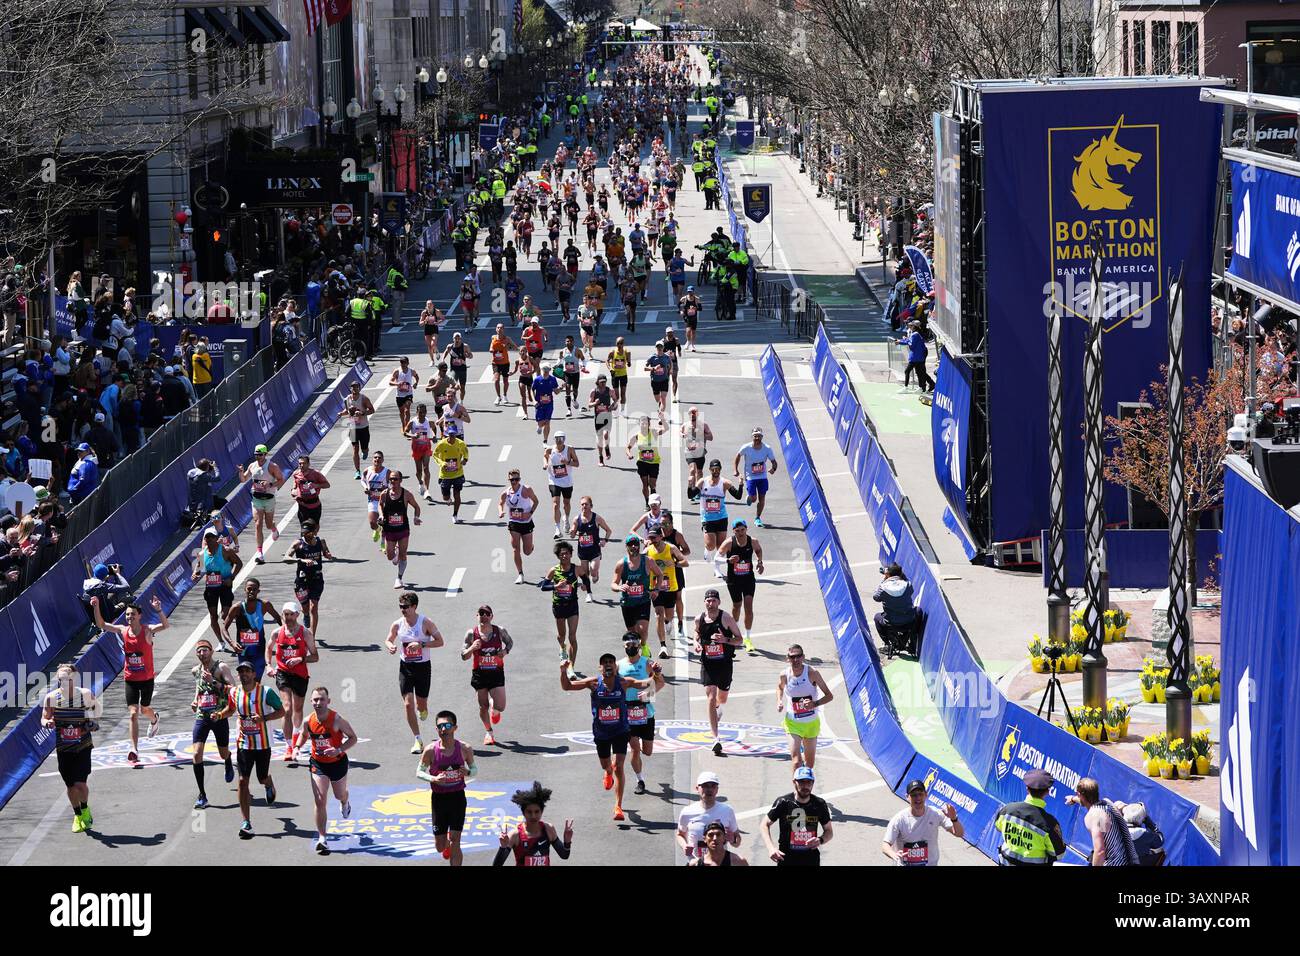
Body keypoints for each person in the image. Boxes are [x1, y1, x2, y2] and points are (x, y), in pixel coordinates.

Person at [559, 654, 652, 822]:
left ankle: (618, 806)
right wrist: (563, 671)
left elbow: (648, 684)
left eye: (611, 662)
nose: (608, 665)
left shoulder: (624, 682)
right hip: (601, 733)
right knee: (607, 765)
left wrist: (657, 673)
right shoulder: (593, 683)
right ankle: (607, 772)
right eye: (604, 663)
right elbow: (567, 687)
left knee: (619, 766)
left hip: (621, 731)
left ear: (615, 667)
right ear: (600, 668)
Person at [91, 595, 167, 767]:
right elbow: (101, 625)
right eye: (127, 615)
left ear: (139, 616)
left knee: (144, 709)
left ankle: (154, 719)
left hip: (147, 679)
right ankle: (134, 749)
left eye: (132, 614)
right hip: (130, 679)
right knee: (133, 713)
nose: (129, 617)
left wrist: (159, 610)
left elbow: (165, 625)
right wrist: (96, 607)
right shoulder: (122, 631)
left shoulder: (147, 630)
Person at [213, 660, 285, 839]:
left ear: (254, 674)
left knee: (261, 778)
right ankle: (246, 823)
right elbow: (230, 709)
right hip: (244, 743)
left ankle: (268, 783)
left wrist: (264, 718)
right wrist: (220, 714)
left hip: (263, 744)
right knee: (243, 781)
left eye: (247, 671)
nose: (244, 674)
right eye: (241, 672)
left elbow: (282, 711)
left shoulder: (266, 692)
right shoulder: (235, 692)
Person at [41, 663, 99, 833]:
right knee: (70, 786)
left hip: (82, 746)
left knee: (80, 784)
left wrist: (91, 725)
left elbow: (95, 718)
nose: (64, 682)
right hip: (63, 748)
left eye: (67, 679)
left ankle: (85, 807)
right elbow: (44, 718)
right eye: (60, 679)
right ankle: (77, 814)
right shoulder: (51, 698)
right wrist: (47, 723)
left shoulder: (86, 695)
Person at [385, 591, 445, 754]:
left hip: (423, 667)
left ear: (414, 607)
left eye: (405, 607)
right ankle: (418, 740)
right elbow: (389, 638)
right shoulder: (397, 624)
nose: (402, 610)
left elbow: (440, 642)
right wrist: (390, 645)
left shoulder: (425, 622)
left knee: (421, 705)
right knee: (408, 704)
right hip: (406, 668)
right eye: (400, 607)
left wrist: (422, 645)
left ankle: (423, 709)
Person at [416, 711, 477, 866]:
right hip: (439, 800)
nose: (444, 729)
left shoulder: (465, 748)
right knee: (440, 846)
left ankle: (453, 843)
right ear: (437, 730)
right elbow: (419, 772)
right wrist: (434, 779)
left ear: (455, 728)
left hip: (457, 798)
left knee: (456, 839)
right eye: (440, 726)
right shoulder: (430, 750)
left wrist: (468, 772)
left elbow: (474, 769)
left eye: (447, 725)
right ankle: (446, 845)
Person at [303, 686, 357, 855]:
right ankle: (322, 838)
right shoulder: (308, 721)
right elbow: (304, 735)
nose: (318, 703)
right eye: (315, 700)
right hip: (318, 764)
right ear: (311, 702)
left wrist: (338, 750)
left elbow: (353, 738)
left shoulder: (337, 720)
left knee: (339, 795)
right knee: (320, 800)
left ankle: (345, 801)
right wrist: (296, 747)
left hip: (337, 763)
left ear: (328, 701)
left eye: (321, 699)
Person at [267, 600, 319, 763]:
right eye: (285, 614)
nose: (288, 618)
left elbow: (315, 656)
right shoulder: (277, 633)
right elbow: (268, 649)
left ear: (297, 615)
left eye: (291, 615)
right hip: (283, 673)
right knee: (287, 708)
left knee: (298, 709)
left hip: (300, 674)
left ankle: (297, 736)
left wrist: (300, 659)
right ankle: (289, 746)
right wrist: (269, 665)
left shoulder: (305, 633)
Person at [619, 634, 665, 796]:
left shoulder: (647, 663)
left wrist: (648, 693)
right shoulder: (619, 665)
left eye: (634, 643)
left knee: (647, 751)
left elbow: (660, 682)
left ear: (639, 645)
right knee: (635, 749)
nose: (630, 646)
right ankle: (640, 780)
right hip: (628, 713)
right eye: (628, 644)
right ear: (624, 646)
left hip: (646, 712)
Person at [462, 605, 514, 746]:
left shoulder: (499, 631)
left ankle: (495, 708)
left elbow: (510, 642)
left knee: (501, 706)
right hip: (480, 674)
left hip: (496, 673)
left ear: (491, 616)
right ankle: (489, 732)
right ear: (477, 615)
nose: (484, 616)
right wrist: (472, 647)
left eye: (487, 614)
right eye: (481, 613)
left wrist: (505, 652)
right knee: (482, 706)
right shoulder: (471, 634)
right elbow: (463, 655)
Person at [882, 777, 963, 866]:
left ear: (926, 795)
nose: (918, 798)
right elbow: (885, 845)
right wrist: (894, 854)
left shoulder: (935, 814)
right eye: (913, 795)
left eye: (920, 794)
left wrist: (954, 819)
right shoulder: (899, 819)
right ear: (907, 797)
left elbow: (959, 833)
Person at [765, 766, 837, 866]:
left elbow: (829, 831)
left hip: (811, 859)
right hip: (786, 859)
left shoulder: (819, 804)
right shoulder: (783, 802)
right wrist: (770, 848)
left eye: (809, 782)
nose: (805, 786)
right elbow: (764, 824)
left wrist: (820, 840)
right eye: (802, 782)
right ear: (794, 782)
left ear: (813, 783)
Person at [777, 644, 834, 770]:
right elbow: (780, 688)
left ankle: (806, 789)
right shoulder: (784, 675)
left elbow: (829, 696)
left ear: (803, 657)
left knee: (809, 765)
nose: (795, 660)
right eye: (792, 657)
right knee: (796, 762)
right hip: (793, 723)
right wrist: (779, 701)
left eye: (798, 656)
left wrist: (814, 704)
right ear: (788, 659)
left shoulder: (812, 673)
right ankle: (796, 790)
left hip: (811, 723)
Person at [994, 769, 1067, 866]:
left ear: (1027, 789)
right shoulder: (1050, 824)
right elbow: (1059, 854)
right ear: (1047, 792)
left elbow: (998, 826)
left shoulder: (1007, 810)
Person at [493, 782, 574, 866]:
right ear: (523, 813)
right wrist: (502, 847)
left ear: (541, 812)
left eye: (536, 812)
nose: (533, 816)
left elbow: (564, 855)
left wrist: (567, 841)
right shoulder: (515, 835)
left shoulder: (549, 829)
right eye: (529, 812)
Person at [1066, 777, 1139, 866]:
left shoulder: (1093, 816)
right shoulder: (1108, 803)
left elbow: (1100, 851)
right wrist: (1073, 799)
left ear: (1079, 794)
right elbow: (1086, 801)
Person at [717, 519, 765, 651]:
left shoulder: (752, 541)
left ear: (746, 529)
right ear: (733, 531)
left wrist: (760, 562)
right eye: (737, 531)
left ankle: (748, 638)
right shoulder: (729, 542)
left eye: (742, 530)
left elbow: (758, 550)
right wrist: (727, 560)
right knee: (736, 605)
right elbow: (716, 558)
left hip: (748, 578)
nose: (740, 533)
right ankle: (735, 632)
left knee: (748, 607)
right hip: (733, 580)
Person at [612, 534, 665, 652]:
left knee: (642, 629)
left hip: (643, 601)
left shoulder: (648, 561)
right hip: (627, 603)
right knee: (632, 633)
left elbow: (660, 574)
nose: (634, 547)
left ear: (639, 546)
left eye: (636, 544)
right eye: (631, 545)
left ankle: (644, 646)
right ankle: (635, 653)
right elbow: (613, 584)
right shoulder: (621, 564)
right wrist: (620, 587)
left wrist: (656, 589)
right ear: (626, 547)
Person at [676, 770, 741, 863]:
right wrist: (684, 846)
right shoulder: (687, 812)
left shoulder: (727, 811)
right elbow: (680, 834)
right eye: (705, 786)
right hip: (696, 861)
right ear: (697, 788)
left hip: (719, 862)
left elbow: (737, 840)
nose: (709, 789)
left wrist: (733, 840)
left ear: (717, 790)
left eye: (713, 786)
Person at [223, 578, 281, 679]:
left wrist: (287, 635)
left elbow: (279, 620)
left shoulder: (264, 605)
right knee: (246, 680)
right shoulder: (237, 607)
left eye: (254, 589)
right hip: (243, 652)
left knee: (256, 681)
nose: (251, 591)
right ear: (245, 590)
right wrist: (231, 643)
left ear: (258, 591)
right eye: (249, 589)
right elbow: (224, 628)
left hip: (259, 651)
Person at [646, 525, 689, 657]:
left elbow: (685, 562)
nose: (652, 539)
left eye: (654, 537)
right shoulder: (648, 550)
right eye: (650, 537)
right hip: (655, 588)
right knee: (658, 614)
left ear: (661, 536)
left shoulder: (671, 548)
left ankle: (668, 621)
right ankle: (663, 646)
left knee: (668, 616)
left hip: (670, 587)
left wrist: (675, 564)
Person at [237, 444, 284, 564]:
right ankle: (260, 553)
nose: (258, 457)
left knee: (268, 525)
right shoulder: (252, 466)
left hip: (269, 498)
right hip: (256, 498)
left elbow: (281, 480)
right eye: (256, 455)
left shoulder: (272, 466)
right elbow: (243, 480)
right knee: (258, 524)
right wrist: (241, 472)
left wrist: (270, 485)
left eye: (260, 454)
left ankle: (273, 528)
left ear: (265, 454)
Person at [697, 459, 745, 571]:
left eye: (717, 469)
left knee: (720, 546)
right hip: (707, 517)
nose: (715, 471)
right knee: (711, 545)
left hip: (721, 517)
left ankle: (717, 568)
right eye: (713, 469)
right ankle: (707, 550)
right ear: (710, 470)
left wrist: (741, 484)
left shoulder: (725, 483)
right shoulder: (703, 482)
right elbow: (691, 494)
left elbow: (738, 496)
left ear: (720, 469)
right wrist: (691, 485)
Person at [284, 522, 330, 635]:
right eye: (303, 533)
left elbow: (326, 552)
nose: (305, 535)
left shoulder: (321, 542)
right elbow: (286, 558)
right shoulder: (298, 543)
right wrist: (301, 560)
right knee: (305, 607)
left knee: (314, 606)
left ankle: (311, 636)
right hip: (302, 580)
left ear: (314, 532)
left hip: (317, 578)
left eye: (307, 533)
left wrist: (327, 554)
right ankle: (305, 615)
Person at [379, 470, 423, 589]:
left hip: (403, 529)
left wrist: (416, 518)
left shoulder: (406, 494)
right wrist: (381, 515)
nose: (393, 481)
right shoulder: (384, 493)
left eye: (395, 479)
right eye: (391, 479)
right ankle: (395, 554)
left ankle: (399, 578)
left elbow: (417, 507)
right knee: (389, 556)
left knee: (403, 555)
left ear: (401, 480)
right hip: (389, 530)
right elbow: (380, 504)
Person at [546, 541, 582, 674]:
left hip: (572, 606)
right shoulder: (554, 571)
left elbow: (586, 579)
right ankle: (562, 647)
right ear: (558, 556)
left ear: (571, 554)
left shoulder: (577, 569)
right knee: (562, 636)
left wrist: (586, 587)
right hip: (558, 606)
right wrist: (556, 586)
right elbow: (543, 586)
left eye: (566, 553)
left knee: (572, 636)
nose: (564, 556)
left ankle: (571, 666)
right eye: (561, 554)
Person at [500, 468, 540, 584]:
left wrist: (530, 513)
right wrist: (500, 511)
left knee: (527, 551)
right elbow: (500, 503)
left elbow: (536, 501)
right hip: (514, 523)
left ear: (519, 479)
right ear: (509, 479)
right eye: (512, 479)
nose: (514, 481)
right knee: (515, 549)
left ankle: (530, 546)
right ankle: (520, 574)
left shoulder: (526, 489)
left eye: (516, 479)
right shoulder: (505, 493)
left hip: (526, 523)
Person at [570, 495, 612, 603]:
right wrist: (572, 531)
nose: (584, 506)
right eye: (582, 504)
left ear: (591, 506)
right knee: (585, 575)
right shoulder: (577, 519)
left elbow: (608, 530)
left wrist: (605, 541)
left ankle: (596, 573)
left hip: (594, 551)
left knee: (593, 572)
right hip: (583, 551)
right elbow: (573, 534)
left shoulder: (596, 518)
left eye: (586, 504)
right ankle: (589, 594)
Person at [872, 563, 920, 655]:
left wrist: (883, 581)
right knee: (918, 611)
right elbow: (911, 591)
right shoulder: (907, 584)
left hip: (891, 622)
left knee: (877, 617)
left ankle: (887, 644)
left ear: (888, 575)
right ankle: (913, 643)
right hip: (909, 620)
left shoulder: (883, 587)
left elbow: (876, 597)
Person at [734, 427, 778, 527]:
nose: (757, 438)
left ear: (761, 437)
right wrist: (735, 470)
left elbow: (774, 462)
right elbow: (737, 456)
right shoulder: (746, 447)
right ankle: (750, 497)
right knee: (754, 499)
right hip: (750, 477)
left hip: (762, 477)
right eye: (755, 436)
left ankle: (757, 518)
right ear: (752, 437)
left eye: (759, 436)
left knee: (762, 499)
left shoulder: (767, 448)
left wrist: (773, 469)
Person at [543, 431, 579, 538]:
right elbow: (545, 456)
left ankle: (566, 519)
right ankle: (557, 529)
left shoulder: (570, 449)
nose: (559, 441)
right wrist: (545, 464)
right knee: (555, 503)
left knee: (566, 503)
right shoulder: (550, 449)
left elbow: (577, 463)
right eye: (557, 439)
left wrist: (567, 462)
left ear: (564, 439)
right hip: (554, 480)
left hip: (567, 481)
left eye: (561, 439)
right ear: (554, 440)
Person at [627, 414, 667, 507]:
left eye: (646, 423)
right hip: (642, 462)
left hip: (654, 462)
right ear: (639, 424)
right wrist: (629, 454)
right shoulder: (636, 436)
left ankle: (653, 500)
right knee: (645, 484)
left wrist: (663, 419)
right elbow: (628, 447)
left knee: (652, 485)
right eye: (642, 423)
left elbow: (666, 429)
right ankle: (647, 503)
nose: (644, 425)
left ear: (649, 424)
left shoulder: (654, 432)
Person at [432, 426, 469, 523]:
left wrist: (464, 460)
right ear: (448, 434)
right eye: (450, 434)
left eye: (454, 434)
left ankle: (455, 514)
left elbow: (466, 453)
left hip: (458, 473)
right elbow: (435, 455)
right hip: (445, 475)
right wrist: (442, 463)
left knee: (457, 494)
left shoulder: (460, 444)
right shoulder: (441, 444)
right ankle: (448, 500)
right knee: (445, 497)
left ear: (456, 434)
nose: (452, 436)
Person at [339, 381, 375, 479]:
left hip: (363, 427)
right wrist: (341, 414)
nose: (355, 389)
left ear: (359, 388)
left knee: (364, 448)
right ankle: (357, 471)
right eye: (353, 387)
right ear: (350, 388)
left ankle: (365, 451)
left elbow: (372, 410)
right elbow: (347, 411)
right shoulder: (347, 399)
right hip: (353, 428)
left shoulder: (364, 399)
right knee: (355, 449)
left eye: (356, 387)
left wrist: (362, 413)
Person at [404, 403, 436, 501]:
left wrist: (434, 436)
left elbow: (434, 428)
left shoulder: (429, 422)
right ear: (417, 412)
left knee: (426, 468)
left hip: (426, 447)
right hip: (416, 448)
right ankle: (421, 483)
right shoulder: (413, 422)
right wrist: (413, 436)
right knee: (419, 471)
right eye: (419, 412)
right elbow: (405, 432)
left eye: (423, 412)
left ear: (426, 412)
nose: (421, 414)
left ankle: (427, 491)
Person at [290, 454, 330, 529]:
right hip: (302, 505)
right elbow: (295, 485)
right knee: (304, 528)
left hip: (314, 504)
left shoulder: (315, 473)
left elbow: (327, 485)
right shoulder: (296, 474)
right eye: (300, 463)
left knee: (315, 526)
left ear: (308, 464)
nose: (301, 465)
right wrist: (293, 491)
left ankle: (314, 538)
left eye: (303, 463)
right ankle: (306, 539)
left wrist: (316, 485)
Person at [682, 407, 712, 498]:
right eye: (691, 412)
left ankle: (698, 490)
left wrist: (702, 435)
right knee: (692, 470)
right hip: (689, 452)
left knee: (699, 472)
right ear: (688, 414)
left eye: (694, 412)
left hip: (700, 452)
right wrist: (682, 435)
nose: (692, 414)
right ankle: (692, 490)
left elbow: (711, 437)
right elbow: (680, 432)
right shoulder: (685, 425)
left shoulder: (703, 425)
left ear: (697, 414)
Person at [362, 451, 390, 544]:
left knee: (384, 523)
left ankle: (383, 543)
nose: (377, 459)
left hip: (383, 502)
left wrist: (385, 489)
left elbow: (393, 486)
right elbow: (363, 480)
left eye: (379, 458)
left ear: (383, 460)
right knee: (372, 523)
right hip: (372, 500)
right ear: (373, 459)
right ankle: (378, 530)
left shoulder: (387, 472)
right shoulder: (367, 470)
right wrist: (366, 487)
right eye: (375, 457)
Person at [898, 320, 934, 392]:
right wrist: (903, 340)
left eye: (911, 325)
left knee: (918, 371)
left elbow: (911, 344)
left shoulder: (915, 334)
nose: (909, 327)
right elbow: (910, 341)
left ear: (914, 327)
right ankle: (925, 386)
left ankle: (922, 387)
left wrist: (901, 341)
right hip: (919, 354)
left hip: (918, 355)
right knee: (920, 371)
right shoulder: (915, 333)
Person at [644, 341, 673, 425]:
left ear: (663, 347)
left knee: (663, 398)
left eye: (661, 347)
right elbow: (645, 368)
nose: (659, 348)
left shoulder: (667, 357)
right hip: (655, 381)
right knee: (658, 400)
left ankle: (660, 416)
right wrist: (653, 368)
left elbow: (670, 363)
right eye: (658, 347)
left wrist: (670, 369)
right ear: (656, 348)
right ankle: (660, 408)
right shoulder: (652, 357)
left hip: (664, 380)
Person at [388, 356, 420, 430]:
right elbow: (390, 382)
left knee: (407, 410)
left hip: (408, 394)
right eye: (401, 363)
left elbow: (417, 377)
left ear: (408, 363)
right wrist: (397, 384)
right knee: (402, 411)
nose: (403, 364)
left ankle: (407, 428)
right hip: (399, 395)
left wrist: (416, 383)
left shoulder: (411, 371)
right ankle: (403, 425)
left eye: (404, 362)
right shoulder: (397, 371)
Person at [531, 363, 560, 442]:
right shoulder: (537, 380)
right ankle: (540, 426)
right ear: (541, 369)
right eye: (544, 369)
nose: (546, 371)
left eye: (547, 369)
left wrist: (561, 387)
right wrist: (534, 401)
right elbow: (531, 390)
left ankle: (545, 440)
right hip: (539, 404)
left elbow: (556, 392)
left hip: (549, 404)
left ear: (550, 370)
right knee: (541, 422)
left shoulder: (553, 379)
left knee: (547, 422)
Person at [489, 324, 516, 405]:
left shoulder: (507, 339)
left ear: (503, 329)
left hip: (505, 363)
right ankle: (498, 396)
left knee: (505, 381)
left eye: (501, 328)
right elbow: (491, 347)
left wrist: (508, 346)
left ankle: (504, 395)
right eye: (498, 327)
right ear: (496, 329)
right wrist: (491, 349)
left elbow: (515, 347)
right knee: (496, 380)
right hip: (495, 363)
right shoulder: (493, 337)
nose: (499, 329)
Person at [607, 337, 631, 411]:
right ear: (616, 343)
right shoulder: (612, 352)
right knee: (617, 396)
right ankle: (613, 406)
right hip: (615, 375)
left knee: (623, 394)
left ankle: (622, 410)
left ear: (623, 344)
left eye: (621, 343)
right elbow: (607, 361)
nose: (619, 345)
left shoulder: (627, 352)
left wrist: (628, 362)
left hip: (623, 374)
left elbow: (629, 363)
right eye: (618, 343)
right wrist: (610, 369)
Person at [421, 301, 445, 367]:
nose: (429, 305)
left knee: (433, 344)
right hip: (427, 330)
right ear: (426, 305)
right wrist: (425, 321)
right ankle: (432, 360)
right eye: (428, 304)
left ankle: (436, 350)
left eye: (430, 304)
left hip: (434, 329)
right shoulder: (424, 312)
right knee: (429, 346)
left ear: (433, 305)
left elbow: (443, 318)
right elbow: (420, 323)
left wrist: (438, 322)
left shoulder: (437, 311)